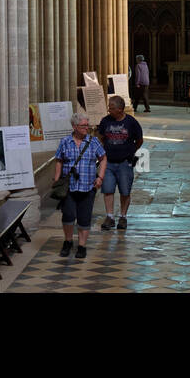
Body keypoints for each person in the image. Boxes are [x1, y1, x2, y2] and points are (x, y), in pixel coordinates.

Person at [53, 110, 107, 259]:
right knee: (68, 216)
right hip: (69, 187)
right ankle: (68, 241)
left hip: (87, 186)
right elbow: (59, 160)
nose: (86, 128)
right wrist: (57, 179)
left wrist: (100, 178)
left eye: (87, 125)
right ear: (74, 126)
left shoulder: (93, 142)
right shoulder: (65, 142)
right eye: (83, 125)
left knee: (84, 217)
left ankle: (82, 246)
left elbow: (103, 158)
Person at [98, 95, 144, 231]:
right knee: (108, 190)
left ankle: (123, 216)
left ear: (119, 110)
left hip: (125, 162)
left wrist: (131, 150)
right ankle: (110, 216)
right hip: (108, 162)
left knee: (125, 190)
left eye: (111, 108)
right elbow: (101, 137)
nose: (108, 110)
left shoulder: (131, 122)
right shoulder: (105, 121)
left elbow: (139, 139)